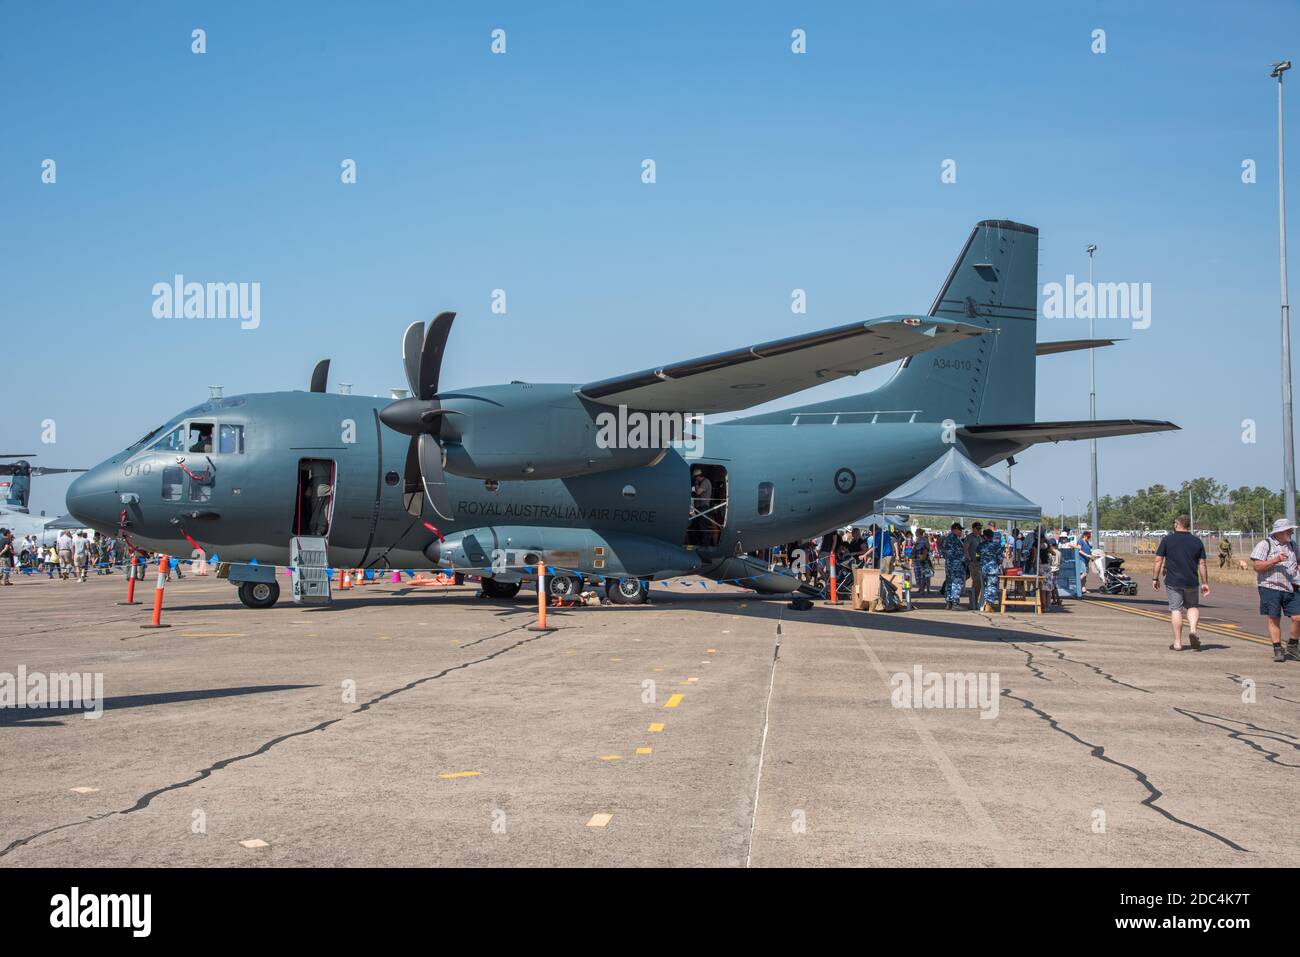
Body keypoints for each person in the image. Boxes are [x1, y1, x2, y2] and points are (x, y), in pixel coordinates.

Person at [1152, 514, 1210, 651]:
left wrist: (1155, 578)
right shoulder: (1197, 541)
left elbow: (1158, 560)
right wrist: (1205, 582)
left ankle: (1178, 643)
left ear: (1177, 524)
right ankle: (1193, 630)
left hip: (1173, 581)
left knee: (1176, 609)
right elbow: (1202, 564)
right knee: (1192, 606)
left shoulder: (1167, 540)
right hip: (1191, 580)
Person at [1250, 518, 1300, 663]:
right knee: (1274, 617)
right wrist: (1275, 560)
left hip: (1291, 586)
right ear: (1279, 532)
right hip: (1270, 587)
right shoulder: (1265, 545)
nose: (1291, 532)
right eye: (1288, 530)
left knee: (1298, 617)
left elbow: (1298, 561)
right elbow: (1257, 566)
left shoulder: (1293, 545)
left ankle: (1292, 644)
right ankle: (1277, 648)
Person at [941, 522, 966, 610]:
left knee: (949, 582)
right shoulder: (954, 539)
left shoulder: (947, 539)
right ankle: (955, 603)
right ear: (954, 530)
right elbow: (958, 553)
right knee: (956, 583)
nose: (960, 532)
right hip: (956, 564)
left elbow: (943, 552)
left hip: (949, 564)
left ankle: (948, 602)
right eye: (959, 530)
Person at [976, 527, 1002, 611]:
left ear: (985, 536)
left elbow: (977, 557)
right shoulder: (996, 546)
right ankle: (988, 604)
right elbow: (1000, 558)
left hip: (983, 568)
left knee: (986, 587)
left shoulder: (980, 545)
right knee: (992, 586)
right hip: (992, 569)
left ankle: (986, 604)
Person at [963, 521, 984, 610]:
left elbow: (979, 551)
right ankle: (974, 602)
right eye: (978, 528)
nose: (979, 530)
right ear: (973, 529)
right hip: (973, 564)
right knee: (977, 582)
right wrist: (969, 560)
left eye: (980, 528)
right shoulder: (969, 537)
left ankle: (974, 601)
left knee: (977, 583)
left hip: (979, 563)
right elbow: (966, 549)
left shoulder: (980, 538)